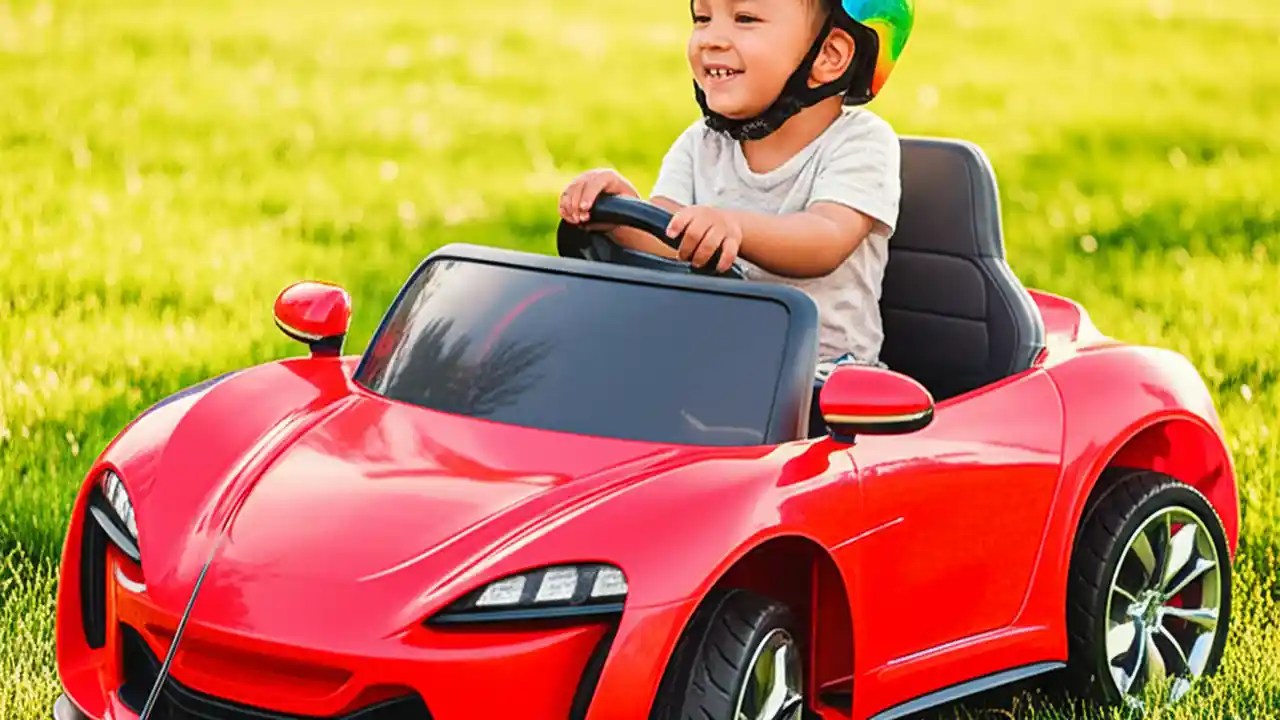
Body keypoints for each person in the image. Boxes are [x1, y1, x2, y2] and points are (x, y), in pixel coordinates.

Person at [559, 0, 914, 433]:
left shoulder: (860, 143)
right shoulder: (700, 144)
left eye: (744, 18)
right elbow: (668, 237)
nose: (711, 38)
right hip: (709, 374)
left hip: (823, 393)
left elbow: (825, 239)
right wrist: (619, 214)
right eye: (702, 18)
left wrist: (735, 227)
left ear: (830, 55)